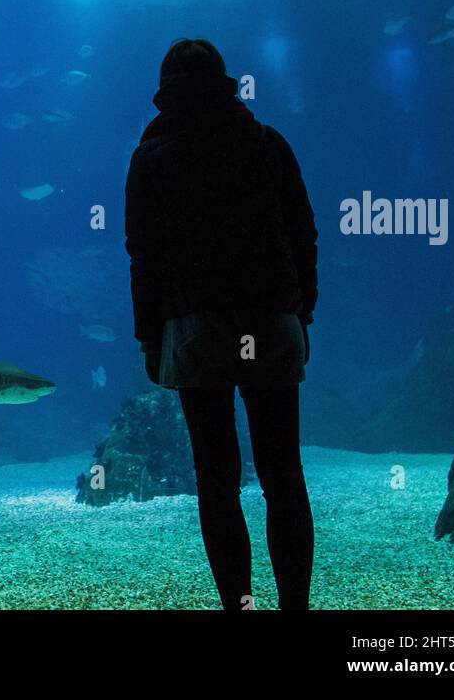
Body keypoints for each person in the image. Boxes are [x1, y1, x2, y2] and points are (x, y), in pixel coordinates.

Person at [125, 38, 317, 611]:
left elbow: (144, 255)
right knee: (284, 474)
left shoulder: (151, 157)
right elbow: (303, 234)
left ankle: (239, 606)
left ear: (166, 91)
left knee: (217, 479)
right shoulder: (267, 143)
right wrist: (301, 313)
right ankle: (295, 610)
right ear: (226, 82)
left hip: (195, 330)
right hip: (272, 320)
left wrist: (148, 338)